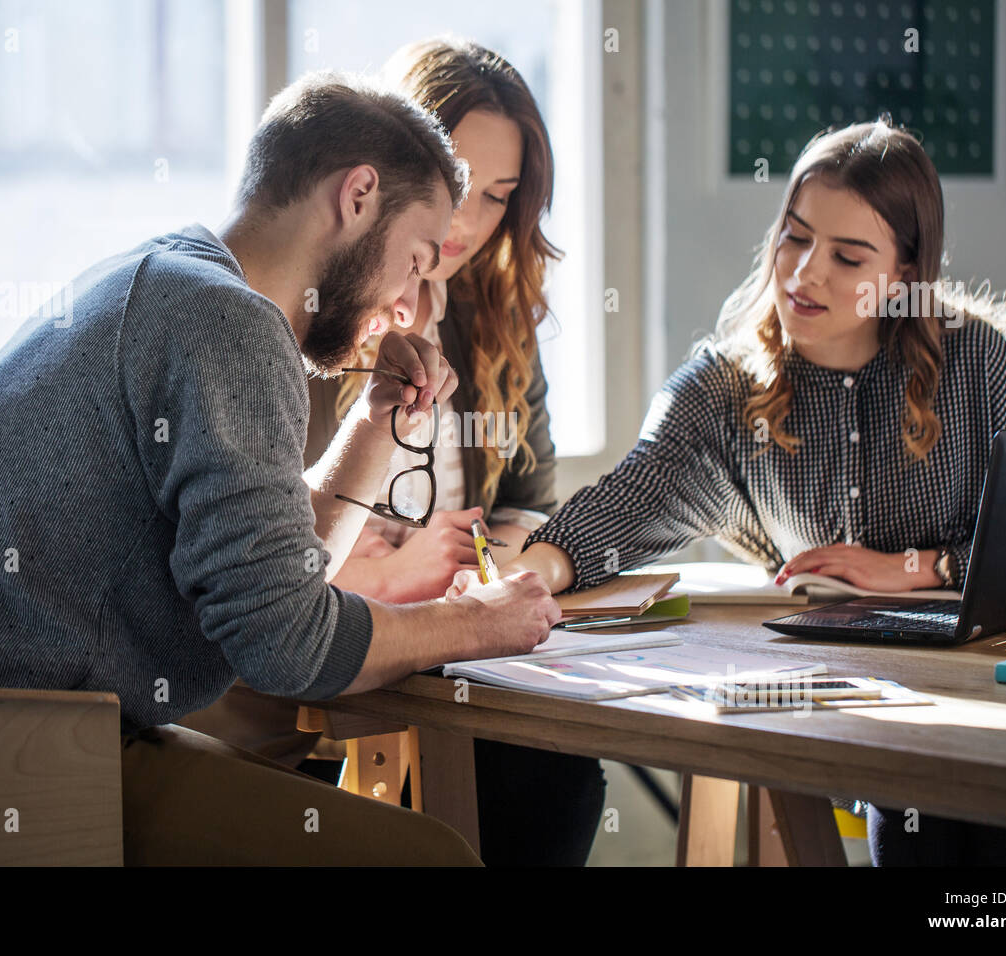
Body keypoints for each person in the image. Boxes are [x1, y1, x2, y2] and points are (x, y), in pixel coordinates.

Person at [0, 72, 563, 865]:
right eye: (416, 260)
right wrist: (481, 621)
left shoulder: (174, 279)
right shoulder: (226, 323)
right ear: (358, 195)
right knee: (436, 859)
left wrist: (376, 425)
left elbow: (279, 582)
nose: (407, 305)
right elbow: (289, 645)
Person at [453, 118, 1006, 866]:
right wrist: (540, 569)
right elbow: (630, 498)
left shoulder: (977, 365)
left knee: (972, 811)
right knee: (915, 803)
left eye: (848, 256)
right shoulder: (723, 390)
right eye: (794, 238)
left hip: (993, 701)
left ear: (906, 273)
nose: (805, 273)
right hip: (852, 713)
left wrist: (922, 568)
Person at [312, 38, 605, 867]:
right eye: (462, 191)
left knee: (559, 777)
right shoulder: (315, 313)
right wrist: (381, 574)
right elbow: (273, 552)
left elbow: (527, 494)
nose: (469, 226)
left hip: (455, 641)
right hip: (338, 655)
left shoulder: (494, 312)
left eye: (500, 199)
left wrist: (489, 558)